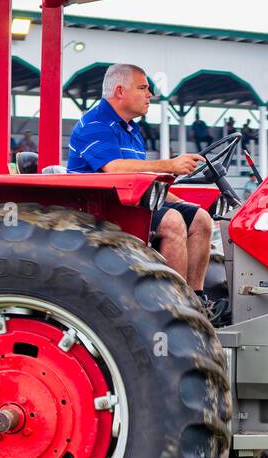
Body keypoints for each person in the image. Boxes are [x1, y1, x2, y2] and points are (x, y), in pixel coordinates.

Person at [67, 63, 219, 312]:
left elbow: (142, 177)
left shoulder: (132, 130)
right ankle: (173, 306)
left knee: (200, 219)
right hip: (99, 207)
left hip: (130, 202)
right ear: (120, 91)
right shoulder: (94, 124)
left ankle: (196, 300)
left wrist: (179, 200)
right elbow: (114, 169)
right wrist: (170, 165)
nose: (150, 95)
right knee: (172, 222)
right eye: (143, 88)